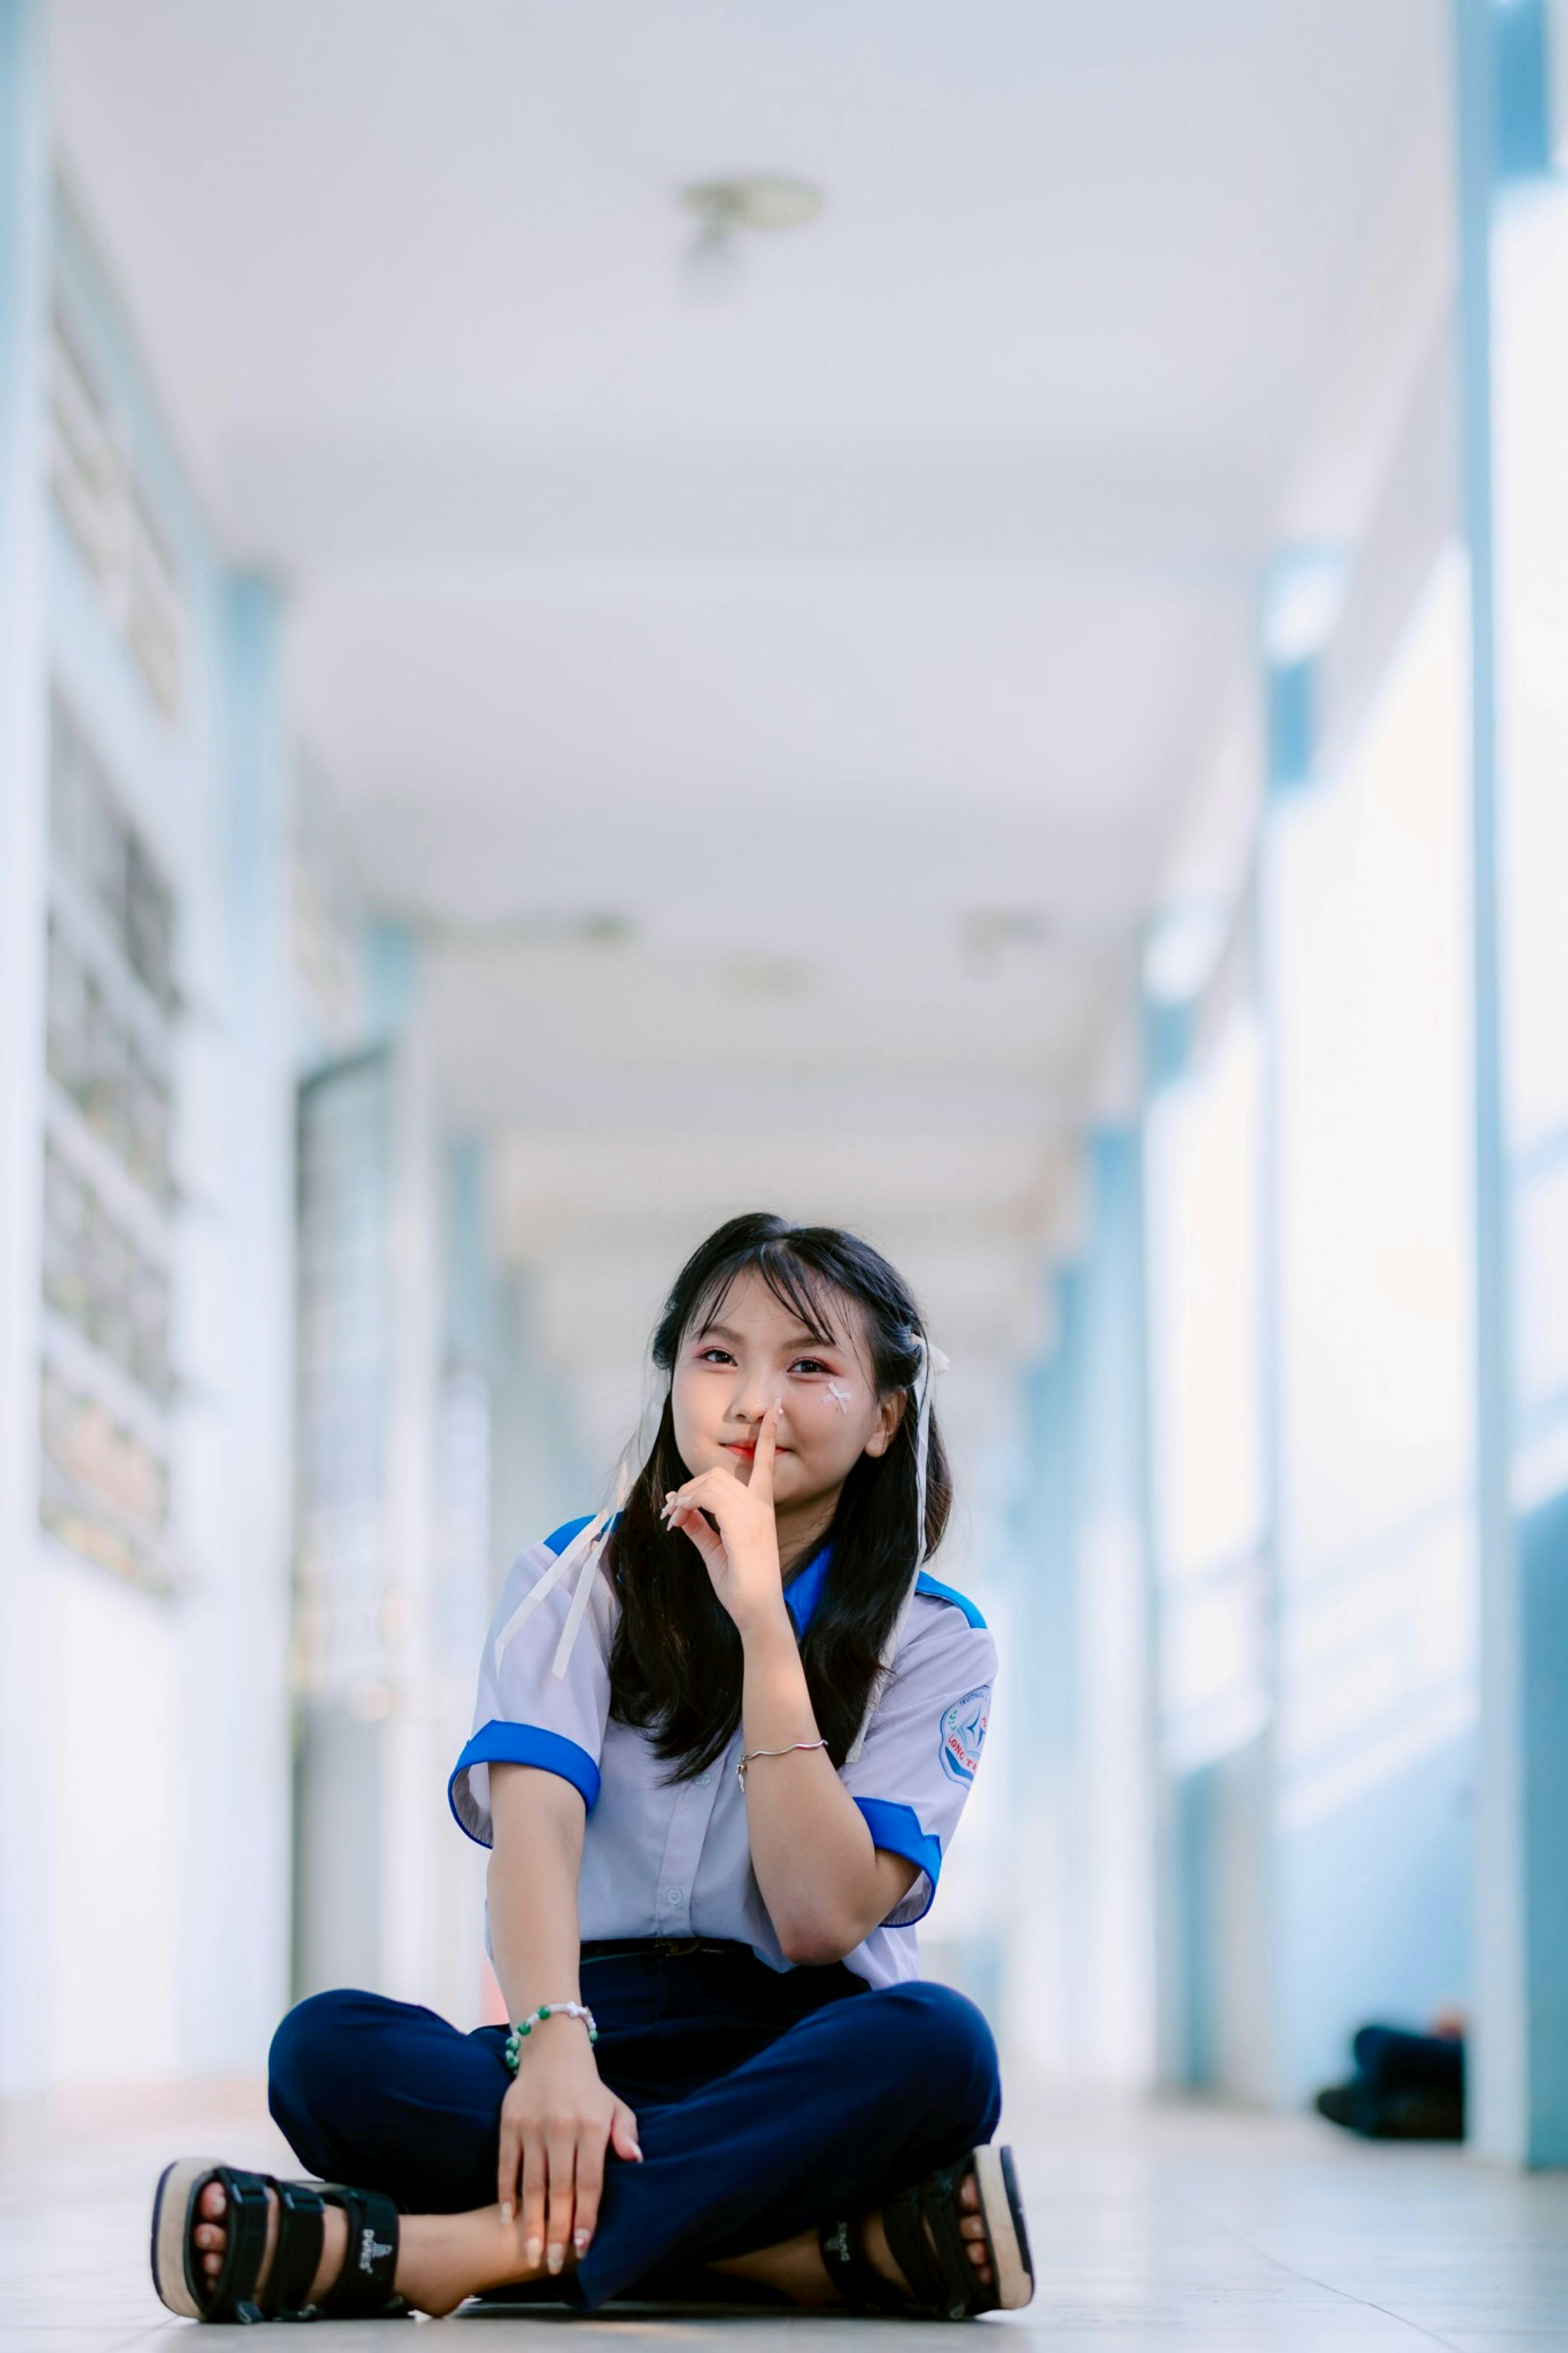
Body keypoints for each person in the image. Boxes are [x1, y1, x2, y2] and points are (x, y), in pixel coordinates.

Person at [151, 1214, 1033, 2322]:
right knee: (324, 2050)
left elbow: (817, 1918)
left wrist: (762, 1619)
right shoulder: (574, 1580)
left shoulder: (939, 1640)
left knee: (942, 2051)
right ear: (675, 1382)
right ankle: (799, 2253)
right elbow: (536, 1834)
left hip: (795, 2044)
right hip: (587, 2022)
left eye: (810, 1365)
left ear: (884, 1417)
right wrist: (554, 2045)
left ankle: (446, 2251)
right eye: (719, 1357)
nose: (755, 1399)